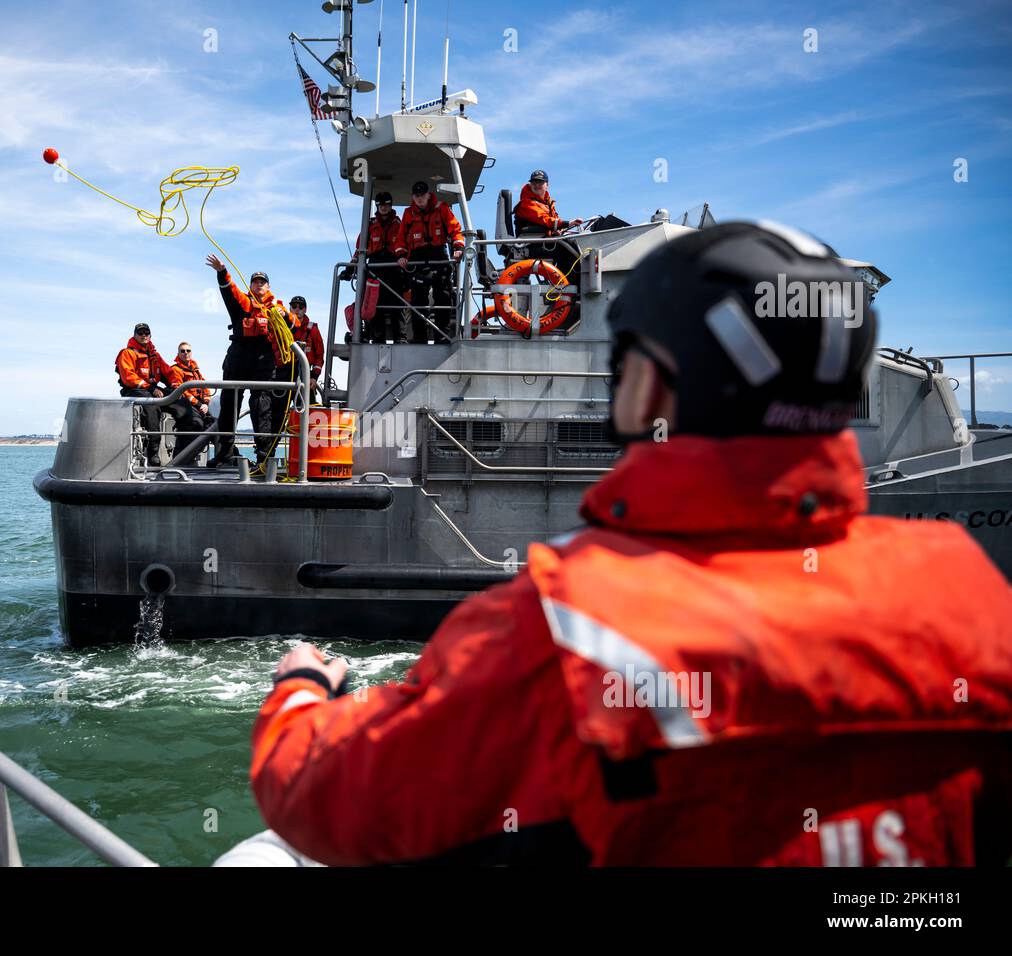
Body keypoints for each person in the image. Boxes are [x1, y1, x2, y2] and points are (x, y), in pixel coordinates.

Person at [245, 221, 1012, 866]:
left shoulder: (566, 625)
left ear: (650, 387)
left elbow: (328, 798)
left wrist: (299, 691)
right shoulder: (972, 596)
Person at [205, 255, 292, 473]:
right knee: (229, 404)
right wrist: (222, 271)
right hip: (238, 356)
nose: (259, 284)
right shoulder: (243, 303)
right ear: (251, 285)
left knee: (262, 404)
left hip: (264, 359)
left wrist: (286, 315)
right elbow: (229, 290)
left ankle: (263, 456)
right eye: (255, 281)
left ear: (269, 286)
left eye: (262, 282)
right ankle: (224, 453)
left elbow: (293, 325)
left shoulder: (278, 309)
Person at [115, 323, 203, 467]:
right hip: (134, 390)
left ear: (150, 335)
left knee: (183, 405)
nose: (144, 335)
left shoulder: (155, 356)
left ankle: (183, 454)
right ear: (135, 335)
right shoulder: (127, 353)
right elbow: (128, 377)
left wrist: (176, 387)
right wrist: (150, 387)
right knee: (153, 408)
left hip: (153, 390)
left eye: (146, 333)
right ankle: (153, 452)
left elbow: (169, 373)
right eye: (140, 333)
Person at [396, 181, 465, 344]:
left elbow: (455, 229)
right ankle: (420, 337)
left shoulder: (442, 209)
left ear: (428, 195)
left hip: (438, 254)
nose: (419, 199)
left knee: (443, 296)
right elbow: (400, 238)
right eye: (416, 196)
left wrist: (458, 246)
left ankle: (443, 336)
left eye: (422, 195)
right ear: (413, 197)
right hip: (417, 258)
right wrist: (401, 255)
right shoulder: (408, 213)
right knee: (418, 299)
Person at [352, 191, 407, 343]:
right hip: (375, 268)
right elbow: (360, 248)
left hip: (394, 267)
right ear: (377, 206)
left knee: (397, 303)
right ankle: (377, 337)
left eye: (386, 205)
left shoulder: (399, 224)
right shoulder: (369, 225)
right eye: (381, 205)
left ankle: (400, 337)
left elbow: (405, 245)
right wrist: (352, 265)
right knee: (375, 303)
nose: (384, 208)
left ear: (390, 205)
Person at [513, 169, 581, 277]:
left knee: (573, 242)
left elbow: (555, 220)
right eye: (534, 182)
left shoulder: (547, 203)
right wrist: (569, 223)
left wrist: (559, 230)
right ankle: (570, 282)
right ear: (530, 184)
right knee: (570, 247)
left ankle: (568, 281)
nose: (537, 185)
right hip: (531, 245)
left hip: (545, 240)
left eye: (540, 182)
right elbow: (544, 219)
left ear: (547, 185)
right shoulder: (526, 203)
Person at [171, 341, 214, 458]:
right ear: (178, 353)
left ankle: (227, 457)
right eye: (182, 351)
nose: (185, 353)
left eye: (188, 351)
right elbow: (180, 390)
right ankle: (183, 458)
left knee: (215, 425)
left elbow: (205, 388)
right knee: (196, 424)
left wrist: (205, 403)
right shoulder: (176, 370)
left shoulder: (196, 370)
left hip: (200, 406)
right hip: (189, 406)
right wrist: (199, 404)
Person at [288, 296, 324, 402]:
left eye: (301, 306)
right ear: (290, 309)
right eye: (294, 306)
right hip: (285, 373)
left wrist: (314, 377)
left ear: (305, 309)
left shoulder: (312, 330)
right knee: (279, 410)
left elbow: (319, 355)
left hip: (305, 375)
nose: (297, 309)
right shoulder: (283, 328)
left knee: (309, 410)